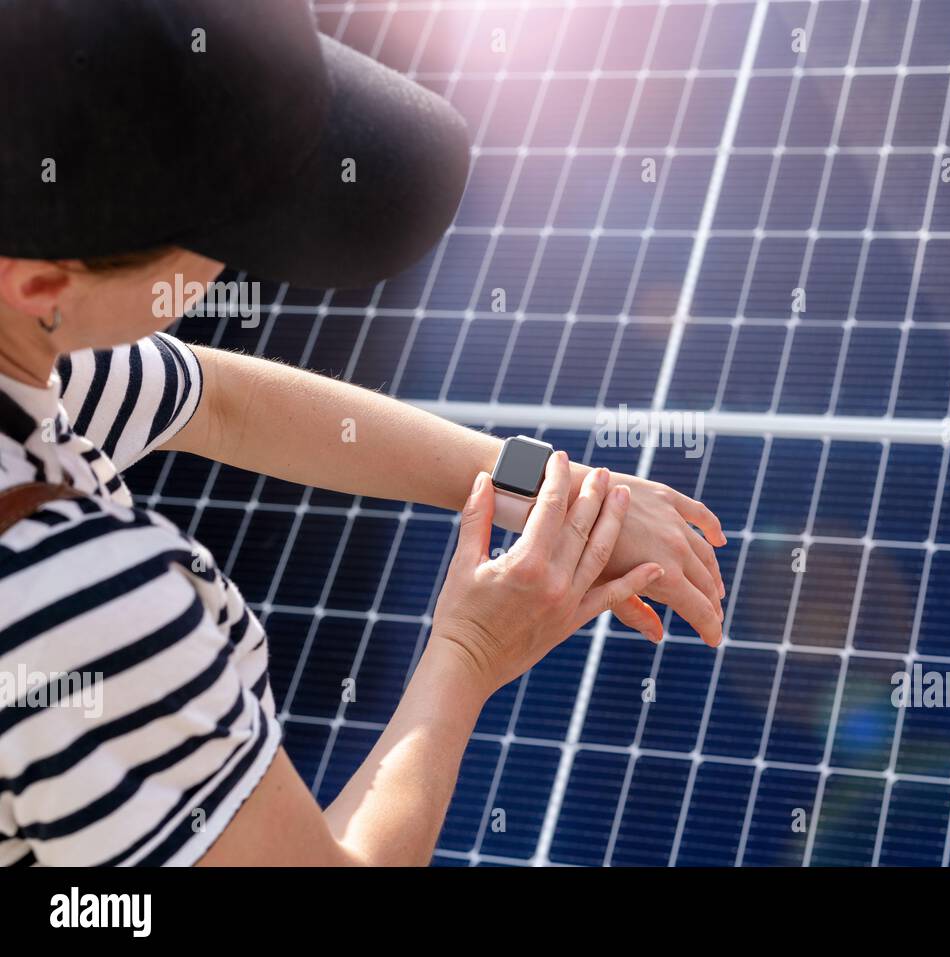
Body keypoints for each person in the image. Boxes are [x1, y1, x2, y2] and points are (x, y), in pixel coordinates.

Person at [0, 0, 725, 866]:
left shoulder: (38, 358)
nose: (232, 268)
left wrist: (535, 484)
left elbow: (219, 398)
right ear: (43, 284)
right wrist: (469, 651)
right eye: (223, 235)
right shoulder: (82, 607)